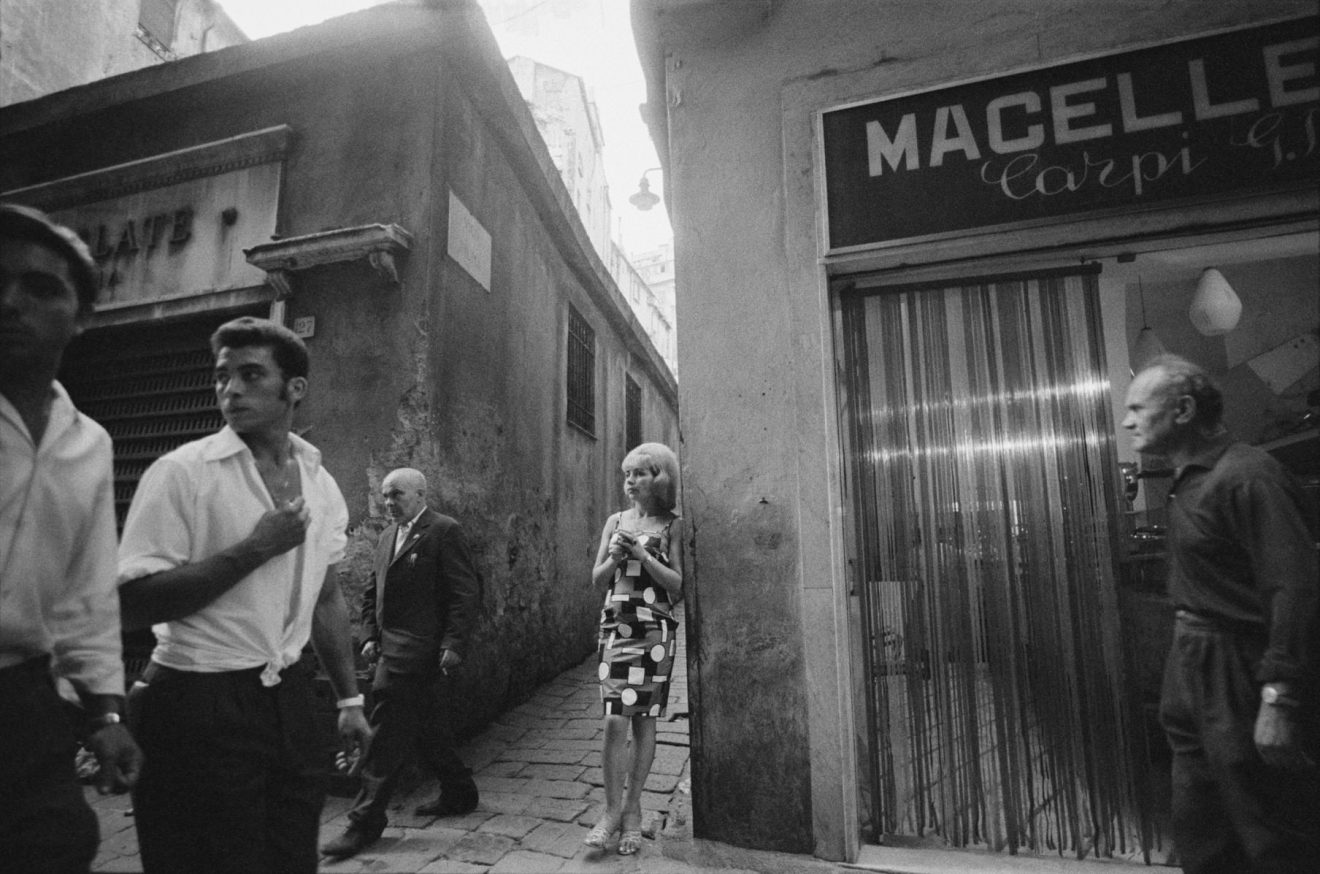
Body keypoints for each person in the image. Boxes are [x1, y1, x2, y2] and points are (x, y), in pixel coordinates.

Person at [116, 315, 370, 874]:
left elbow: (325, 596)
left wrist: (350, 701)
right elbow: (134, 603)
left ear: (295, 388)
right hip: (194, 700)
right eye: (222, 376)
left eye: (251, 375)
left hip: (289, 701)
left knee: (288, 859)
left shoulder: (320, 483)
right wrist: (254, 550)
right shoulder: (182, 472)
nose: (231, 390)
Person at [1122, 354, 1319, 872]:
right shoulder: (1190, 479)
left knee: (1268, 827)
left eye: (1139, 407)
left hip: (1238, 666)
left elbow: (1294, 589)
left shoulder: (1248, 476)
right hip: (1192, 661)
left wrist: (1281, 695)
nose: (1127, 421)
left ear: (1183, 409)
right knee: (1202, 825)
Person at [0, 203, 143, 873]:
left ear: (81, 317)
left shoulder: (89, 443)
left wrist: (105, 715)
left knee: (57, 844)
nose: (10, 301)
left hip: (24, 702)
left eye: (40, 288)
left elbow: (86, 596)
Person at [320, 467, 483, 859]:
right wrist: (370, 636)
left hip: (420, 650)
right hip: (390, 648)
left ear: (421, 494)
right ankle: (460, 791)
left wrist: (454, 643)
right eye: (386, 495)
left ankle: (365, 821)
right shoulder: (386, 536)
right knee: (424, 724)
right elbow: (373, 591)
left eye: (397, 494)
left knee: (386, 734)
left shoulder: (444, 531)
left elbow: (466, 592)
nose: (389, 502)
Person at [584, 442, 685, 856]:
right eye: (627, 475)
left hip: (653, 633)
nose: (629, 482)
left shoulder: (672, 524)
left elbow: (677, 586)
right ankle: (609, 812)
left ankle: (632, 810)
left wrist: (642, 554)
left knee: (643, 721)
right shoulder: (616, 520)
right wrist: (613, 557)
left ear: (659, 477)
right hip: (616, 630)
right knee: (613, 721)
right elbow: (598, 579)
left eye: (639, 474)